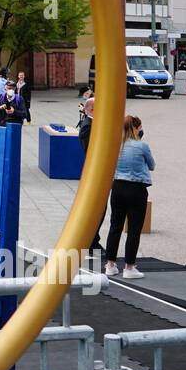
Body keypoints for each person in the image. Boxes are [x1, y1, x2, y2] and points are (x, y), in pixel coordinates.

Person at [105, 115, 155, 279]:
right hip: (136, 188)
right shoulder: (142, 146)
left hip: (118, 186)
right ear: (136, 128)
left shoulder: (115, 146)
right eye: (140, 127)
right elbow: (152, 165)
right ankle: (129, 267)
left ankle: (110, 264)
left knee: (115, 226)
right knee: (134, 229)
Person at [78, 95, 104, 253]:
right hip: (93, 174)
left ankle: (93, 239)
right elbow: (89, 150)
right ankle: (92, 241)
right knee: (97, 209)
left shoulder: (94, 123)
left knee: (101, 209)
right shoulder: (88, 126)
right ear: (92, 110)